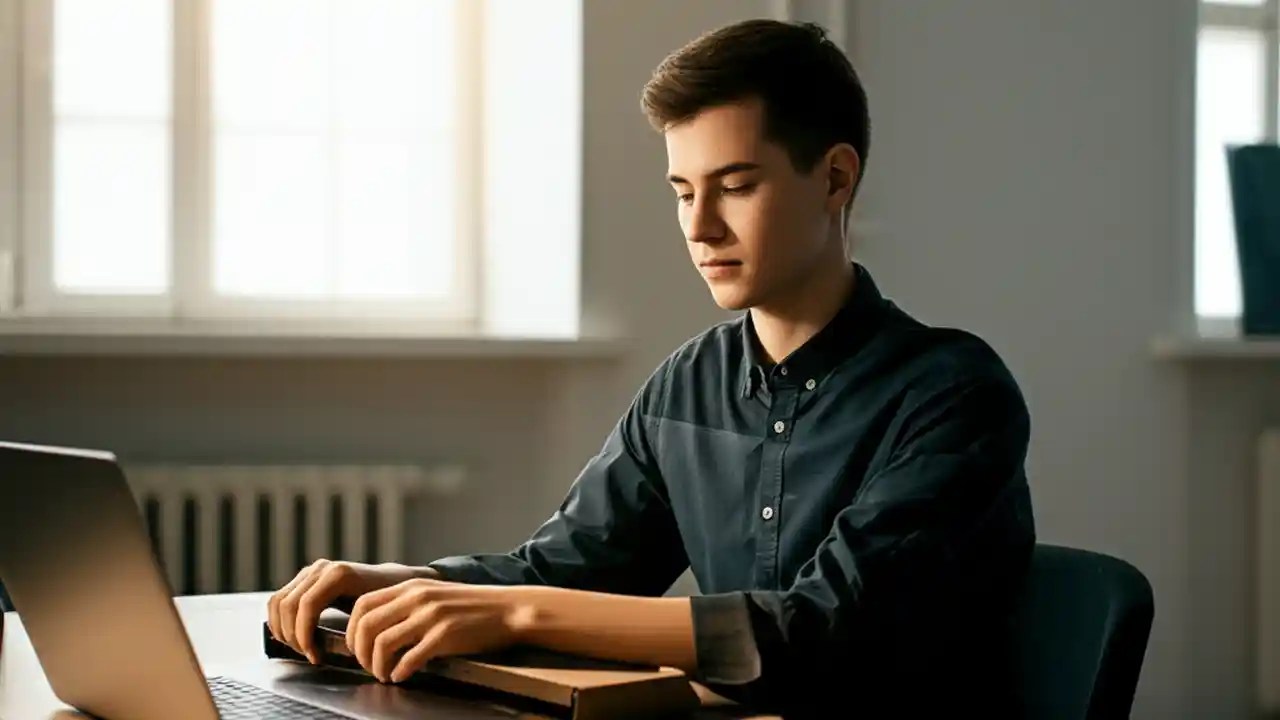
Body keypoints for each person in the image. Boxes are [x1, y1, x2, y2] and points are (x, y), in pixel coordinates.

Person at [267, 18, 1036, 716]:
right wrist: (406, 583)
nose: (700, 227)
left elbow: (817, 634)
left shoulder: (953, 393)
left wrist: (515, 613)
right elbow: (568, 570)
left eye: (736, 186)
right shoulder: (687, 385)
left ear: (836, 178)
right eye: (682, 192)